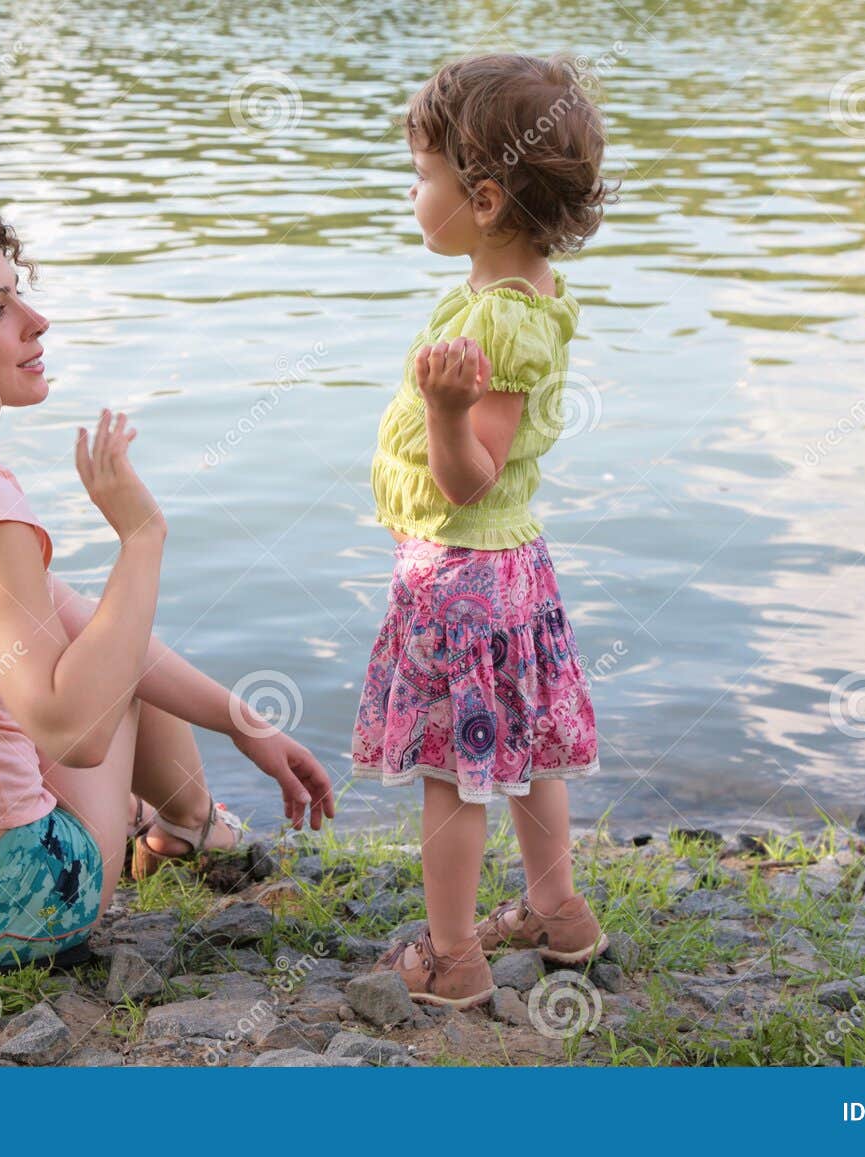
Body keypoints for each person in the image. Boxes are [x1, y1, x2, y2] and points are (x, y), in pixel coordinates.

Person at [0, 207, 334, 971]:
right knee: (102, 660)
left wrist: (245, 721)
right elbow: (71, 729)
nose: (36, 321)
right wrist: (141, 539)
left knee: (92, 635)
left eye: (21, 296)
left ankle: (185, 820)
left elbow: (75, 620)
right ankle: (187, 822)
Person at [352, 54, 618, 1007]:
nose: (413, 192)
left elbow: (470, 479)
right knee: (528, 751)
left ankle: (454, 956)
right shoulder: (521, 294)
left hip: (462, 574)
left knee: (452, 774)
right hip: (509, 567)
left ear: (488, 197)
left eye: (422, 175)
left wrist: (444, 410)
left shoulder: (498, 327)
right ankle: (559, 911)